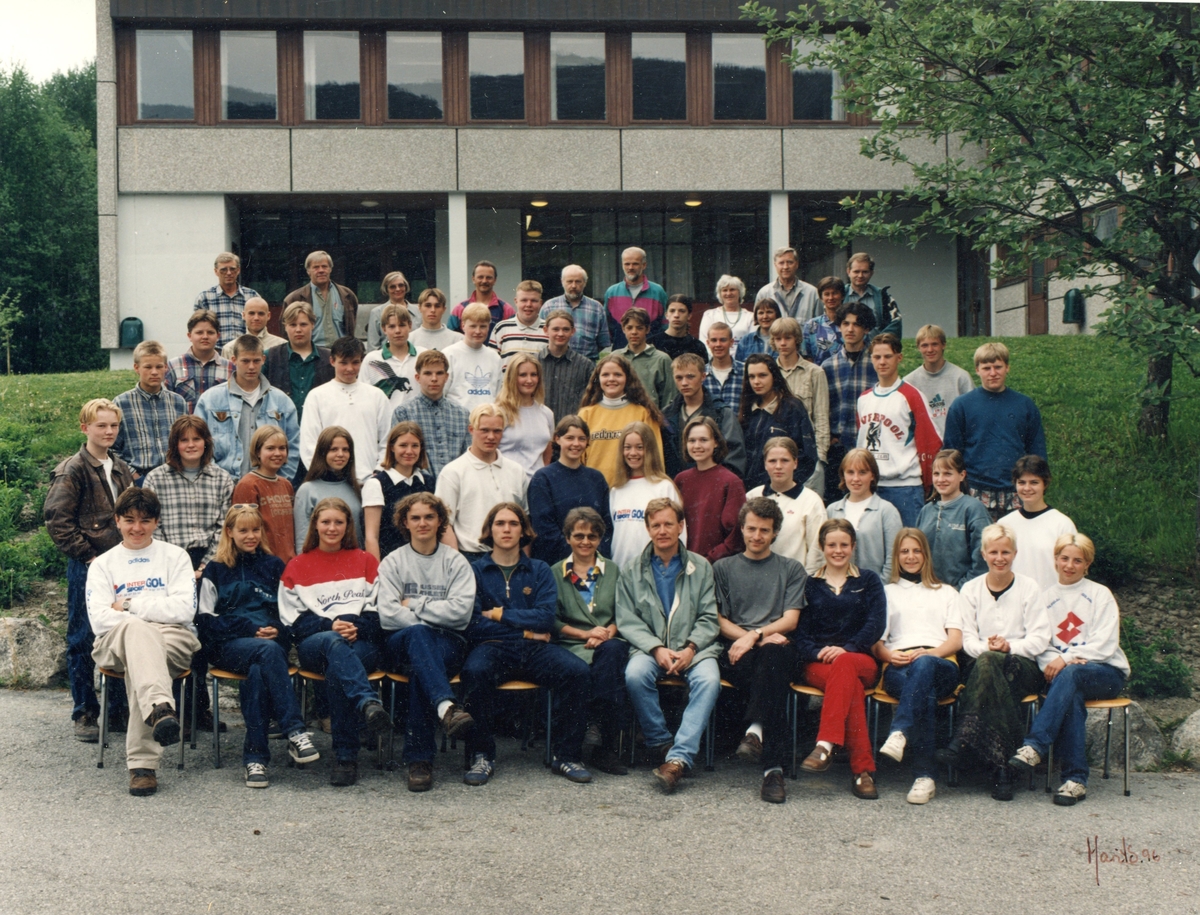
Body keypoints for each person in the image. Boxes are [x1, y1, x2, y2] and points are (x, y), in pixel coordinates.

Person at [460, 502, 593, 786]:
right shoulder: (475, 570)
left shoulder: (539, 569)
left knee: (577, 671)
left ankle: (566, 755)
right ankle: (481, 755)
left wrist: (498, 613)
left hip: (536, 651)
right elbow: (473, 624)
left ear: (523, 530)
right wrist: (525, 632)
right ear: (489, 530)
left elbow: (545, 618)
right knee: (474, 672)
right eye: (500, 523)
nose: (506, 529)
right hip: (494, 647)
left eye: (513, 523)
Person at [86, 487, 200, 797]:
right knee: (138, 635)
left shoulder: (175, 557)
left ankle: (143, 767)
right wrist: (148, 616)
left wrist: (131, 605)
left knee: (143, 656)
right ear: (117, 521)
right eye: (129, 520)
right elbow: (99, 619)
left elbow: (184, 610)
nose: (137, 528)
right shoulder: (102, 565)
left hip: (173, 640)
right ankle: (159, 710)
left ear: (156, 522)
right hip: (115, 643)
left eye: (145, 520)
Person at [198, 505, 319, 788]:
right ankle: (294, 730)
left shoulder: (274, 565)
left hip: (270, 645)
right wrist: (248, 629)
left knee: (258, 670)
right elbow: (204, 621)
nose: (250, 536)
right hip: (229, 646)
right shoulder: (215, 570)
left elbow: (289, 614)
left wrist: (278, 629)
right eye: (243, 530)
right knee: (265, 653)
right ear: (229, 532)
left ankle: (255, 761)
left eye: (255, 529)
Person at [279, 496, 393, 787]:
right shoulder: (297, 565)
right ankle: (367, 701)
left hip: (359, 641)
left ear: (347, 526)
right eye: (326, 521)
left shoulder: (366, 562)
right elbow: (292, 621)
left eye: (338, 522)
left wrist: (356, 626)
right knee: (332, 644)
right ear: (315, 525)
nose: (332, 528)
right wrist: (330, 625)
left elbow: (381, 611)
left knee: (336, 669)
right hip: (315, 643)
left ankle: (346, 757)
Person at [1010, 533, 1130, 807]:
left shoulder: (1100, 594)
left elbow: (1105, 644)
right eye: (1064, 558)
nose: (1069, 565)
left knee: (1071, 675)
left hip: (1106, 673)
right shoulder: (1045, 597)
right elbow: (1042, 643)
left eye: (1078, 560)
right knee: (1071, 693)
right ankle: (1075, 781)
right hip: (1068, 678)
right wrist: (1058, 662)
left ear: (1087, 564)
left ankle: (1036, 745)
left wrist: (1067, 659)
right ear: (1055, 560)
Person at [616, 498, 722, 793]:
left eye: (668, 524)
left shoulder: (700, 567)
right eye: (656, 525)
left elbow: (709, 617)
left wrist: (690, 648)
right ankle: (660, 742)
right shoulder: (632, 570)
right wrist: (654, 648)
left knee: (710, 680)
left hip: (695, 649)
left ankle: (678, 758)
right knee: (635, 675)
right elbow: (627, 619)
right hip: (650, 649)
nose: (662, 530)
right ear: (648, 529)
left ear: (681, 526)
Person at [44, 398, 134, 742]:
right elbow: (58, 521)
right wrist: (88, 558)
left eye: (113, 425)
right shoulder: (73, 469)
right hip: (89, 566)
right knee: (83, 637)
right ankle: (84, 712)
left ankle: (117, 710)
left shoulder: (121, 468)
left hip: (121, 566)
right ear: (85, 428)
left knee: (118, 633)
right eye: (101, 425)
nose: (108, 431)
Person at [942, 522, 1050, 801]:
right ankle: (1004, 771)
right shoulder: (971, 589)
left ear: (1015, 553)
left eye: (1005, 552)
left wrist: (1008, 646)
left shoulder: (1029, 588)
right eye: (993, 552)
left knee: (991, 662)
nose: (999, 558)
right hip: (982, 663)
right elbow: (967, 639)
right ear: (983, 554)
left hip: (1022, 664)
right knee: (992, 671)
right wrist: (989, 649)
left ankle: (963, 739)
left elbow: (1040, 639)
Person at [376, 492, 476, 792]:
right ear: (404, 522)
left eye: (429, 517)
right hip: (401, 642)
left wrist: (416, 605)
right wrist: (433, 614)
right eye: (415, 517)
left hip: (448, 642)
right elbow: (388, 616)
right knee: (420, 639)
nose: (422, 523)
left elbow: (461, 614)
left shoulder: (455, 562)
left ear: (440, 521)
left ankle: (420, 761)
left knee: (423, 665)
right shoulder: (393, 561)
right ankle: (446, 706)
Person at [713, 497, 806, 804]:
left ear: (775, 532)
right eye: (751, 529)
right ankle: (773, 770)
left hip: (774, 647)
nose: (756, 536)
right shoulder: (723, 568)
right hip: (738, 652)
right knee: (770, 671)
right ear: (741, 529)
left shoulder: (791, 569)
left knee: (774, 658)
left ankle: (755, 730)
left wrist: (756, 635)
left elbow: (790, 620)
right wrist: (751, 639)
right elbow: (719, 620)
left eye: (764, 530)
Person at [795, 518, 886, 800]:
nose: (838, 550)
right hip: (818, 663)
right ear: (822, 547)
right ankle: (863, 772)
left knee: (846, 666)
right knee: (852, 689)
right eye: (831, 545)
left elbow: (876, 623)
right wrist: (816, 652)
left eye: (844, 545)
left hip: (860, 659)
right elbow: (800, 630)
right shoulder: (810, 584)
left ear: (853, 546)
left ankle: (825, 743)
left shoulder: (867, 580)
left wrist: (848, 648)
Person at [874, 528, 964, 805]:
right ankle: (924, 777)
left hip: (941, 664)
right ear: (896, 556)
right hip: (899, 666)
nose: (911, 557)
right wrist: (889, 656)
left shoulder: (946, 592)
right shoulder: (886, 591)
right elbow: (877, 642)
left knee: (924, 666)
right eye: (904, 551)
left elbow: (956, 639)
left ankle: (899, 731)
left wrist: (929, 654)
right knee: (924, 694)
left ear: (926, 554)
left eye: (916, 551)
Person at [551, 507, 628, 775]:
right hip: (572, 645)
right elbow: (553, 621)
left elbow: (623, 613)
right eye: (579, 536)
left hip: (607, 643)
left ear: (600, 539)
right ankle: (601, 741)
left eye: (592, 536)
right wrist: (586, 634)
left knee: (613, 652)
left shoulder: (613, 570)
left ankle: (601, 739)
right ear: (567, 538)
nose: (586, 542)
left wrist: (606, 632)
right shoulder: (554, 573)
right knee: (595, 667)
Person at [942, 342, 1048, 520]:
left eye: (998, 367)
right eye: (986, 367)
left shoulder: (1024, 405)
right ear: (977, 370)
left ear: (1007, 367)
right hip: (975, 489)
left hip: (1017, 490)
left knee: (1016, 544)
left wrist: (1035, 485)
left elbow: (1037, 451)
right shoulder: (962, 405)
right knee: (979, 544)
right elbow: (952, 453)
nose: (993, 373)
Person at [855, 333, 942, 526]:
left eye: (888, 356)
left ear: (899, 358)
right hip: (870, 486)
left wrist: (928, 484)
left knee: (909, 547)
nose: (882, 362)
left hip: (904, 488)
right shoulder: (864, 399)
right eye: (877, 357)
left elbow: (930, 443)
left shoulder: (911, 396)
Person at [195, 334, 301, 481]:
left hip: (268, 486)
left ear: (263, 360)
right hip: (222, 486)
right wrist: (216, 483)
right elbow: (198, 445)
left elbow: (293, 448)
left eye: (256, 361)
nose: (251, 366)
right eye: (245, 361)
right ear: (234, 360)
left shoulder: (282, 402)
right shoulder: (210, 400)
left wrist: (279, 483)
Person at [142, 415, 234, 577]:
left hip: (212, 561)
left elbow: (224, 527)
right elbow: (154, 527)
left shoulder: (222, 479)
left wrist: (205, 567)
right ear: (175, 445)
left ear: (206, 442)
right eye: (184, 440)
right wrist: (173, 564)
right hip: (169, 561)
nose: (191, 445)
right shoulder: (155, 479)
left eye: (197, 439)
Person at [435, 403, 528, 562]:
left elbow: (525, 519)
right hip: (471, 558)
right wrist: (458, 564)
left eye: (497, 431)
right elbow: (444, 524)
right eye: (484, 430)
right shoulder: (453, 472)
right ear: (471, 430)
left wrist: (525, 560)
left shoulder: (517, 471)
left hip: (512, 558)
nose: (491, 437)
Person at [299, 335, 391, 484]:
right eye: (343, 363)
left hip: (370, 481)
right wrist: (325, 476)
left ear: (362, 361)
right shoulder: (316, 396)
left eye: (355, 362)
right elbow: (309, 443)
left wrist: (379, 473)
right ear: (332, 361)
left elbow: (387, 440)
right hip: (330, 482)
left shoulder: (377, 396)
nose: (350, 368)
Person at [528, 416, 612, 566]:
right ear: (557, 439)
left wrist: (593, 556)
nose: (576, 444)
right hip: (556, 564)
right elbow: (544, 529)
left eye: (581, 439)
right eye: (570, 438)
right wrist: (579, 556)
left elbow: (606, 526)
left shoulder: (596, 479)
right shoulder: (543, 478)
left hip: (593, 564)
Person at [576, 354, 666, 486]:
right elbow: (578, 459)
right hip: (593, 488)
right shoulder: (586, 414)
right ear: (598, 379)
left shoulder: (643, 413)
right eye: (605, 375)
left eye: (618, 375)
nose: (611, 379)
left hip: (633, 489)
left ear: (627, 378)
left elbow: (655, 457)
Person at [823, 300, 878, 503]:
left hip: (868, 445)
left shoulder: (876, 363)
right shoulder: (828, 366)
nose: (850, 329)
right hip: (838, 448)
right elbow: (824, 408)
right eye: (845, 324)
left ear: (866, 329)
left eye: (856, 324)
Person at [745, 436, 826, 573]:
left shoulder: (811, 501)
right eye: (772, 461)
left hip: (794, 583)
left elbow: (817, 551)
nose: (778, 466)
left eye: (785, 461)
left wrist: (806, 583)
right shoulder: (752, 496)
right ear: (765, 464)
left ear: (795, 463)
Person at [606, 420, 682, 568]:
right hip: (621, 572)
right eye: (627, 447)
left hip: (656, 571)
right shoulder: (616, 490)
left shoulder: (664, 487)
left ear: (650, 449)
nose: (633, 453)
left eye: (639, 447)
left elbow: (680, 535)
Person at [739, 353, 817, 493]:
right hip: (750, 490)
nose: (756, 381)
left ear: (774, 376)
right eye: (751, 376)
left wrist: (787, 486)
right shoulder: (747, 410)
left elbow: (808, 455)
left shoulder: (792, 408)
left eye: (762, 375)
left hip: (782, 490)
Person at [999, 454, 1077, 592]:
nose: (1027, 488)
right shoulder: (1004, 524)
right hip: (1013, 603)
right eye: (1022, 482)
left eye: (1034, 482)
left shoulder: (1062, 524)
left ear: (1045, 484)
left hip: (1050, 603)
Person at [771, 317, 830, 494]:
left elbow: (821, 417)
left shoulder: (815, 372)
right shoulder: (768, 373)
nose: (783, 343)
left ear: (797, 338)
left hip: (807, 452)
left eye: (787, 338)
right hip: (776, 454)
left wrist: (820, 459)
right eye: (778, 338)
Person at [113, 341, 188, 482]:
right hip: (137, 477)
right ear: (137, 368)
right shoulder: (121, 403)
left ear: (166, 367)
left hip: (174, 476)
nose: (154, 372)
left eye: (159, 366)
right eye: (148, 367)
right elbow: (111, 448)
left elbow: (186, 440)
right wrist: (132, 474)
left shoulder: (178, 403)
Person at [662, 353, 746, 477]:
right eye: (679, 378)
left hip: (712, 485)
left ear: (703, 376)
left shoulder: (721, 412)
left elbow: (734, 457)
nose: (684, 383)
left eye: (690, 377)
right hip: (676, 485)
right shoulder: (666, 415)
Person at [362, 421, 436, 562]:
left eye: (415, 445)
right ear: (392, 448)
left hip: (425, 562)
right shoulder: (376, 484)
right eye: (403, 445)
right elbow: (372, 537)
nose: (409, 451)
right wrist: (378, 575)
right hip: (390, 564)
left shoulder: (429, 482)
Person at [917, 448, 990, 589]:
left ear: (962, 475)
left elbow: (982, 561)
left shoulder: (973, 509)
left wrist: (960, 590)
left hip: (961, 595)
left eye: (948, 474)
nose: (941, 479)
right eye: (936, 474)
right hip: (928, 592)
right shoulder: (926, 511)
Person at [675, 417, 745, 563]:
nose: (697, 445)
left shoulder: (731, 481)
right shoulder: (681, 480)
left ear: (716, 442)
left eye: (703, 440)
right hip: (683, 563)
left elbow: (736, 536)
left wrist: (708, 560)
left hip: (716, 565)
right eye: (692, 440)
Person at [390, 350, 471, 475]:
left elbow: (468, 457)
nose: (434, 379)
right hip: (419, 488)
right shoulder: (404, 413)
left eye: (439, 373)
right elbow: (400, 458)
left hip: (456, 485)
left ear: (446, 377)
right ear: (418, 377)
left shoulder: (462, 415)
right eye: (428, 373)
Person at [826, 448, 903, 579]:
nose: (856, 478)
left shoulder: (887, 511)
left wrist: (879, 589)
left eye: (862, 472)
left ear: (872, 475)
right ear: (843, 475)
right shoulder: (832, 510)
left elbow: (893, 558)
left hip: (875, 591)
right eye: (850, 472)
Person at [293, 426, 365, 553]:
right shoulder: (307, 490)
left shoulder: (357, 488)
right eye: (334, 449)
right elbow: (301, 542)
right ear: (322, 452)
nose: (340, 454)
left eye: (345, 449)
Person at [232, 425, 296, 564]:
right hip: (263, 564)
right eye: (270, 448)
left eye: (282, 448)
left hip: (288, 562)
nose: (277, 453)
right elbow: (243, 530)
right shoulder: (248, 485)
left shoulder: (286, 485)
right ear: (258, 452)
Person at [264, 302, 334, 427]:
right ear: (285, 326)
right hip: (280, 430)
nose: (298, 330)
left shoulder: (330, 358)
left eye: (303, 324)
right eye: (292, 325)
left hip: (321, 428)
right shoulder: (270, 357)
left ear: (313, 325)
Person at [903, 324, 974, 438]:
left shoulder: (961, 377)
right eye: (925, 345)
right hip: (924, 445)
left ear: (943, 345)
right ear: (918, 348)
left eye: (934, 344)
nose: (930, 350)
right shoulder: (909, 382)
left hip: (955, 447)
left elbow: (972, 416)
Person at [495, 353, 555, 479]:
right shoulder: (499, 412)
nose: (529, 380)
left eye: (533, 374)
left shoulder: (546, 413)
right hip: (507, 483)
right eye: (523, 375)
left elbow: (547, 451)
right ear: (512, 377)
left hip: (538, 486)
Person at [282, 250, 359, 347]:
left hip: (341, 353)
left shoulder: (347, 295)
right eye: (316, 267)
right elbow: (285, 329)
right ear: (308, 271)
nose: (321, 270)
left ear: (330, 269)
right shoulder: (294, 299)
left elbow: (351, 323)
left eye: (324, 266)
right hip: (312, 354)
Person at [165, 310, 232, 414]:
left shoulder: (230, 368)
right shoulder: (173, 366)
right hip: (184, 428)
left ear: (218, 336)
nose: (205, 336)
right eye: (199, 332)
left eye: (210, 332)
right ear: (189, 336)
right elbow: (165, 403)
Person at [362, 304, 426, 411]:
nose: (397, 331)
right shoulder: (372, 360)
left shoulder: (423, 355)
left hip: (417, 424)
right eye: (392, 326)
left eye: (402, 325)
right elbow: (364, 397)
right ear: (384, 329)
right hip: (386, 425)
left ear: (410, 326)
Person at [540, 264, 610, 360]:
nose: (573, 286)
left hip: (587, 365)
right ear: (562, 282)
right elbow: (541, 338)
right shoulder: (549, 307)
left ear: (585, 283)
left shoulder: (597, 308)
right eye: (569, 281)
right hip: (555, 363)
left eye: (578, 282)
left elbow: (603, 341)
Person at [603, 246, 667, 350]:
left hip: (651, 353)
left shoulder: (657, 292)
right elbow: (607, 325)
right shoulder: (612, 293)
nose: (630, 267)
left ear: (644, 265)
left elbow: (664, 324)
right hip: (620, 351)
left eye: (635, 264)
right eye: (627, 264)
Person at [614, 307, 676, 410]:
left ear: (647, 329)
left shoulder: (662, 359)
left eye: (639, 328)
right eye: (629, 328)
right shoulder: (615, 357)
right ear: (623, 329)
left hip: (650, 418)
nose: (634, 332)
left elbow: (669, 397)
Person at [443, 303, 503, 410]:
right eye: (473, 326)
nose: (478, 331)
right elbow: (442, 393)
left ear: (488, 327)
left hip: (487, 421)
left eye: (483, 326)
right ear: (463, 325)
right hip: (458, 421)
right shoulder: (449, 354)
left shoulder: (495, 357)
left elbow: (498, 395)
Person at [194, 252, 258, 349]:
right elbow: (198, 329)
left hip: (246, 354)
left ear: (238, 270)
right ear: (216, 271)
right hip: (216, 354)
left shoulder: (252, 296)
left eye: (232, 269)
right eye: (223, 269)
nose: (228, 273)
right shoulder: (204, 298)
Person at [539, 309, 594, 423]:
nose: (560, 334)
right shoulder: (534, 363)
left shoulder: (585, 366)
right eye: (555, 329)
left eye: (566, 329)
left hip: (572, 431)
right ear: (546, 330)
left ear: (572, 331)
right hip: (539, 428)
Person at [755, 246, 821, 324]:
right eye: (781, 263)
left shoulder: (812, 293)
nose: (785, 267)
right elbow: (758, 325)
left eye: (790, 262)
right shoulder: (764, 293)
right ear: (775, 265)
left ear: (796, 264)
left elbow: (820, 325)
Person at [489, 280, 548, 367]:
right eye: (524, 300)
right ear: (516, 301)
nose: (528, 304)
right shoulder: (501, 328)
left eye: (534, 301)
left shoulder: (549, 329)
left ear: (540, 303)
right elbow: (491, 363)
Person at [844, 252, 902, 338]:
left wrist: (880, 344)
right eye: (856, 271)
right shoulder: (839, 295)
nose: (860, 275)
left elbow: (896, 322)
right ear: (848, 272)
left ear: (871, 273)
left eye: (865, 272)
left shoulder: (883, 297)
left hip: (875, 349)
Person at [447, 260, 514, 334]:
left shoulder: (506, 310)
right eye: (480, 277)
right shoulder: (459, 309)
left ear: (495, 280)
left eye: (489, 277)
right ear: (473, 279)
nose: (484, 281)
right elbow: (450, 337)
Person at [698, 275, 755, 351]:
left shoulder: (750, 316)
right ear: (720, 294)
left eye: (732, 290)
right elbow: (704, 342)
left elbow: (752, 344)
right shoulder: (709, 315)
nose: (728, 293)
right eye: (725, 290)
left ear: (740, 292)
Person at [365, 271, 418, 350]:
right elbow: (373, 346)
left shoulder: (418, 311)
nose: (397, 289)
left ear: (406, 287)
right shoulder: (377, 313)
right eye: (392, 287)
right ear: (386, 290)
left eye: (401, 285)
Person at [220, 297, 285, 359]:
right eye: (251, 313)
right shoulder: (230, 349)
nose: (256, 318)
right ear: (243, 315)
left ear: (268, 316)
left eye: (261, 314)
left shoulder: (281, 346)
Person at [649, 294, 708, 361]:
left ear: (689, 315)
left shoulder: (698, 346)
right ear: (666, 315)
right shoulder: (652, 343)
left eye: (682, 311)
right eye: (672, 311)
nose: (676, 315)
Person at [801, 276, 845, 366]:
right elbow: (807, 357)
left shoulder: (850, 324)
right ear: (821, 297)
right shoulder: (811, 325)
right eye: (827, 294)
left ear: (842, 295)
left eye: (835, 293)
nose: (831, 297)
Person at [702, 322, 745, 409]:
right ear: (708, 343)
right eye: (714, 340)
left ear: (731, 342)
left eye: (723, 340)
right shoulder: (700, 373)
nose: (718, 344)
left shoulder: (745, 371)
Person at [409, 287, 462, 351]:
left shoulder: (458, 340)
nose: (433, 310)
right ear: (420, 308)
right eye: (428, 306)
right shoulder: (409, 340)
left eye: (437, 306)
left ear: (444, 309)